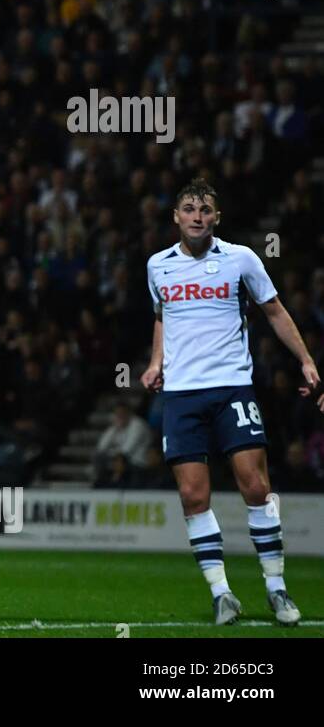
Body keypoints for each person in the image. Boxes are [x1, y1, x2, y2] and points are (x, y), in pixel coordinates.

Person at [142, 178, 322, 627]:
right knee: (192, 494)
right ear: (177, 217)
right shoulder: (158, 266)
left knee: (256, 487)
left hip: (231, 388)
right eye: (189, 208)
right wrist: (155, 362)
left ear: (216, 218)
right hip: (182, 395)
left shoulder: (241, 259)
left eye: (205, 209)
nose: (197, 215)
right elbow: (163, 317)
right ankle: (222, 594)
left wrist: (305, 360)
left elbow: (275, 310)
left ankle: (277, 588)